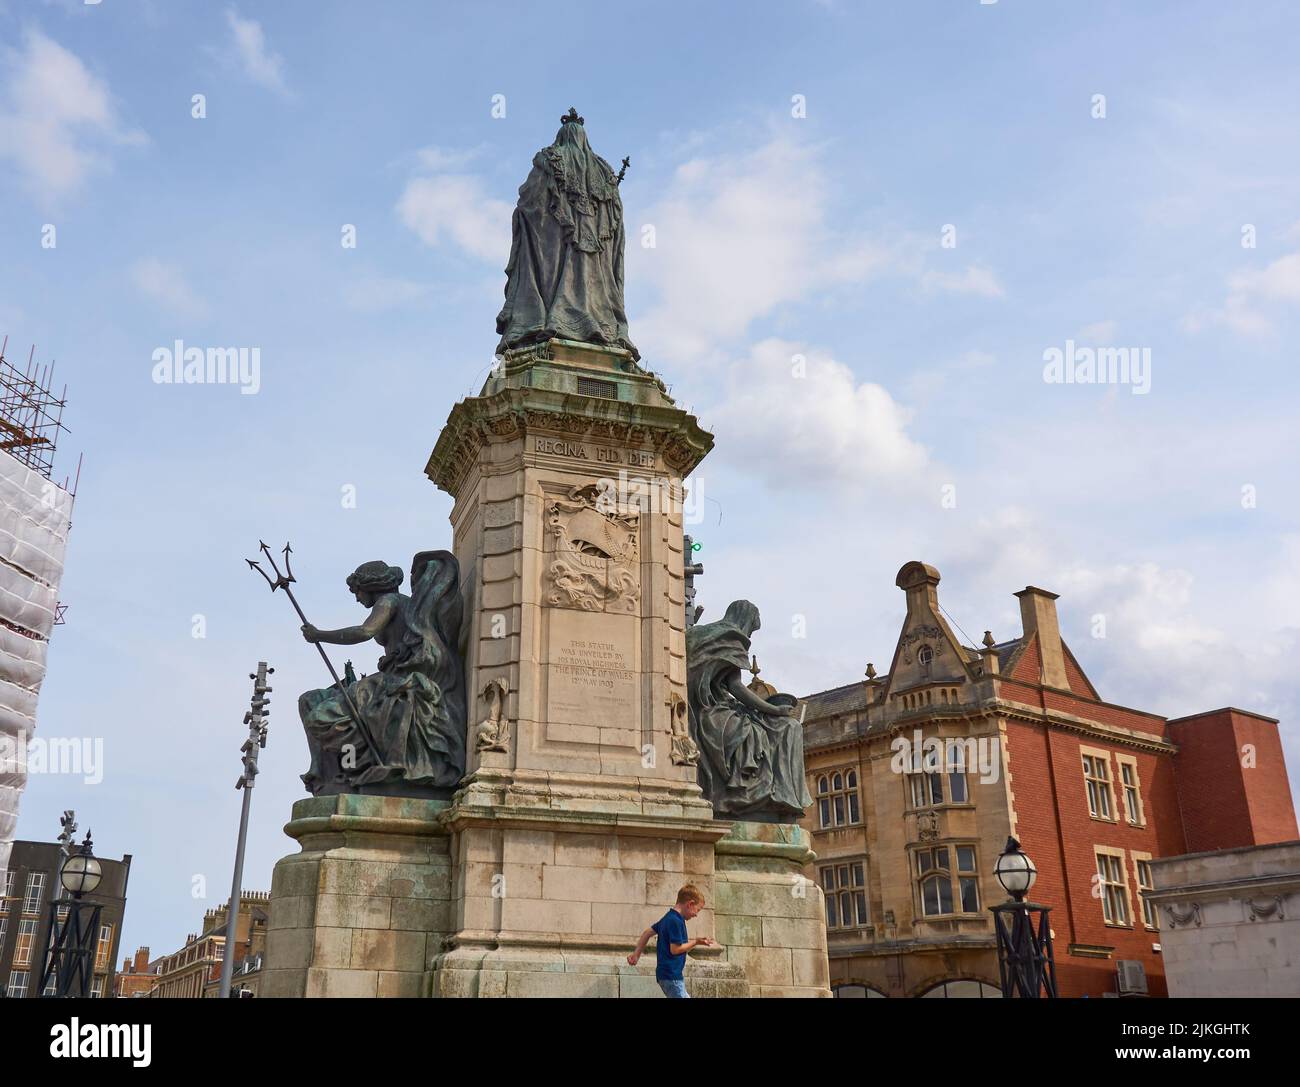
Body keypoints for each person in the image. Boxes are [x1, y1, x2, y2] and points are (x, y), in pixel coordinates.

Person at [626, 884, 715, 998]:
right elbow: (675, 949)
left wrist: (636, 954)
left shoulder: (668, 917)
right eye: (697, 910)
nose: (696, 915)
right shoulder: (675, 921)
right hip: (671, 976)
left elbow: (647, 933)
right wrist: (695, 942)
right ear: (690, 904)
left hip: (667, 975)